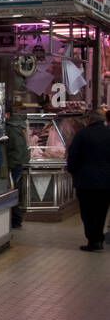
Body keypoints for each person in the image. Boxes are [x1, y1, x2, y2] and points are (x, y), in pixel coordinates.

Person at [66, 106, 110, 252]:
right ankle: (98, 238)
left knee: (87, 212)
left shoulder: (82, 134)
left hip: (86, 181)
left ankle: (93, 240)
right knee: (101, 211)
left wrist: (72, 170)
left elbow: (73, 156)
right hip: (106, 181)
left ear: (90, 119)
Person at [4, 107, 30, 228]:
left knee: (11, 191)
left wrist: (10, 166)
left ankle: (15, 219)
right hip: (16, 164)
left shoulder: (12, 128)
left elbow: (17, 149)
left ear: (8, 114)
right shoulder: (18, 125)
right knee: (12, 190)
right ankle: (14, 218)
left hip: (13, 165)